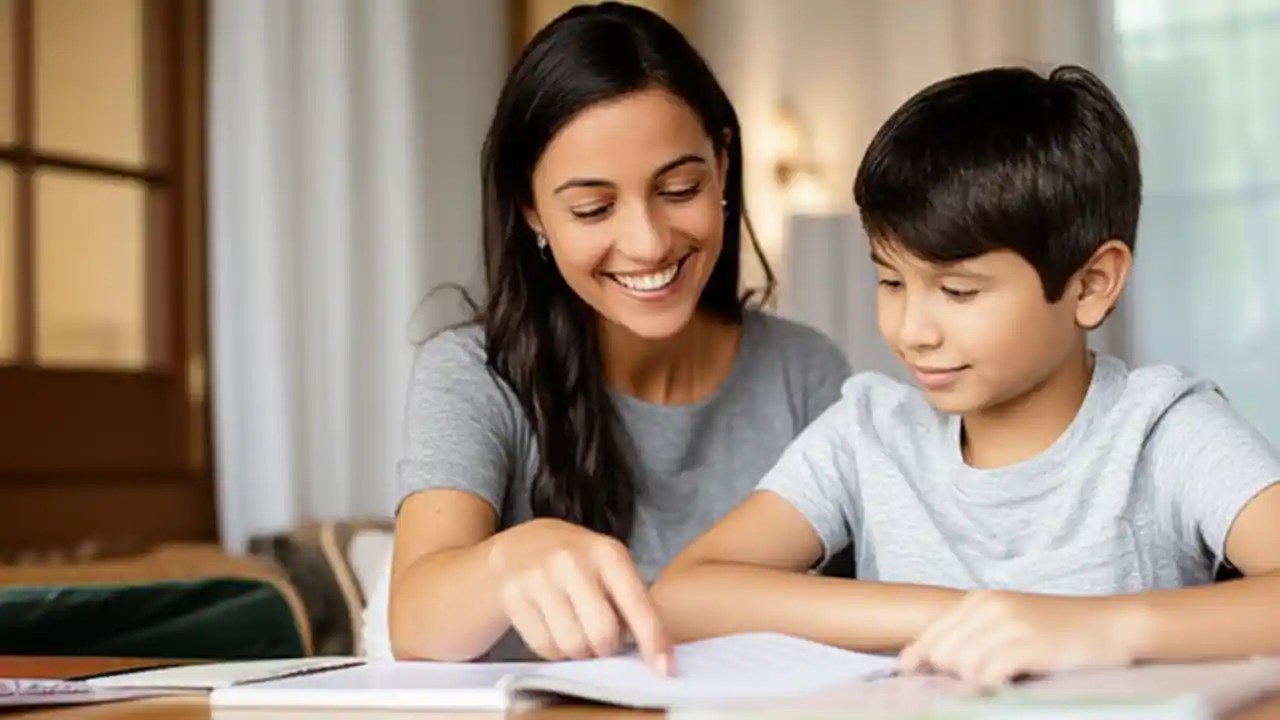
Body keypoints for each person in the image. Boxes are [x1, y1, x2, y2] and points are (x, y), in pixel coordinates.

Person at [652, 65, 1280, 688]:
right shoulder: (867, 434)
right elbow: (685, 594)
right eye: (891, 281)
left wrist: (1090, 629)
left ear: (1091, 285)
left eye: (957, 290)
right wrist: (964, 616)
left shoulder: (1163, 431)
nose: (912, 329)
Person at [361, 2, 851, 671]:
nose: (647, 243)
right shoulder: (476, 373)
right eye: (593, 208)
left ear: (724, 168)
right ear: (531, 209)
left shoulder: (805, 372)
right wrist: (512, 558)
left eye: (680, 188)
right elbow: (415, 624)